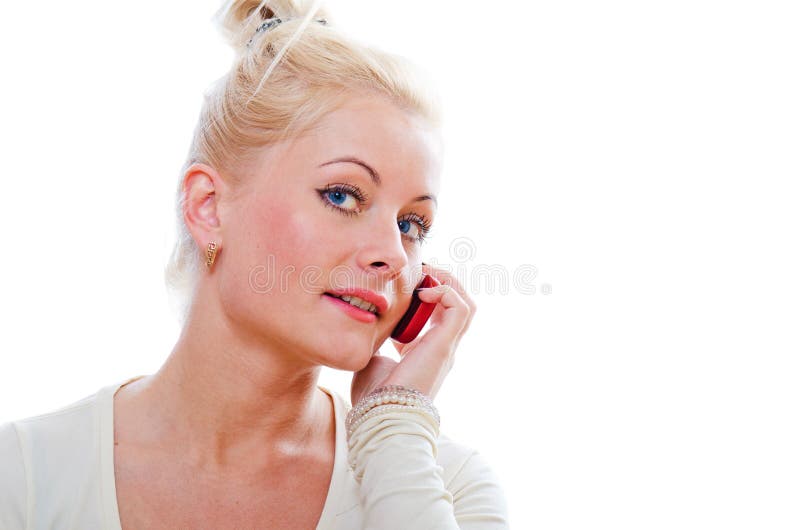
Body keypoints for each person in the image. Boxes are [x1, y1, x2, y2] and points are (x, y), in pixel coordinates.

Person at [0, 1, 510, 528]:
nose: (393, 254)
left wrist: (394, 431)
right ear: (209, 207)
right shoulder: (23, 478)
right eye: (342, 195)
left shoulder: (447, 488)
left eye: (412, 224)